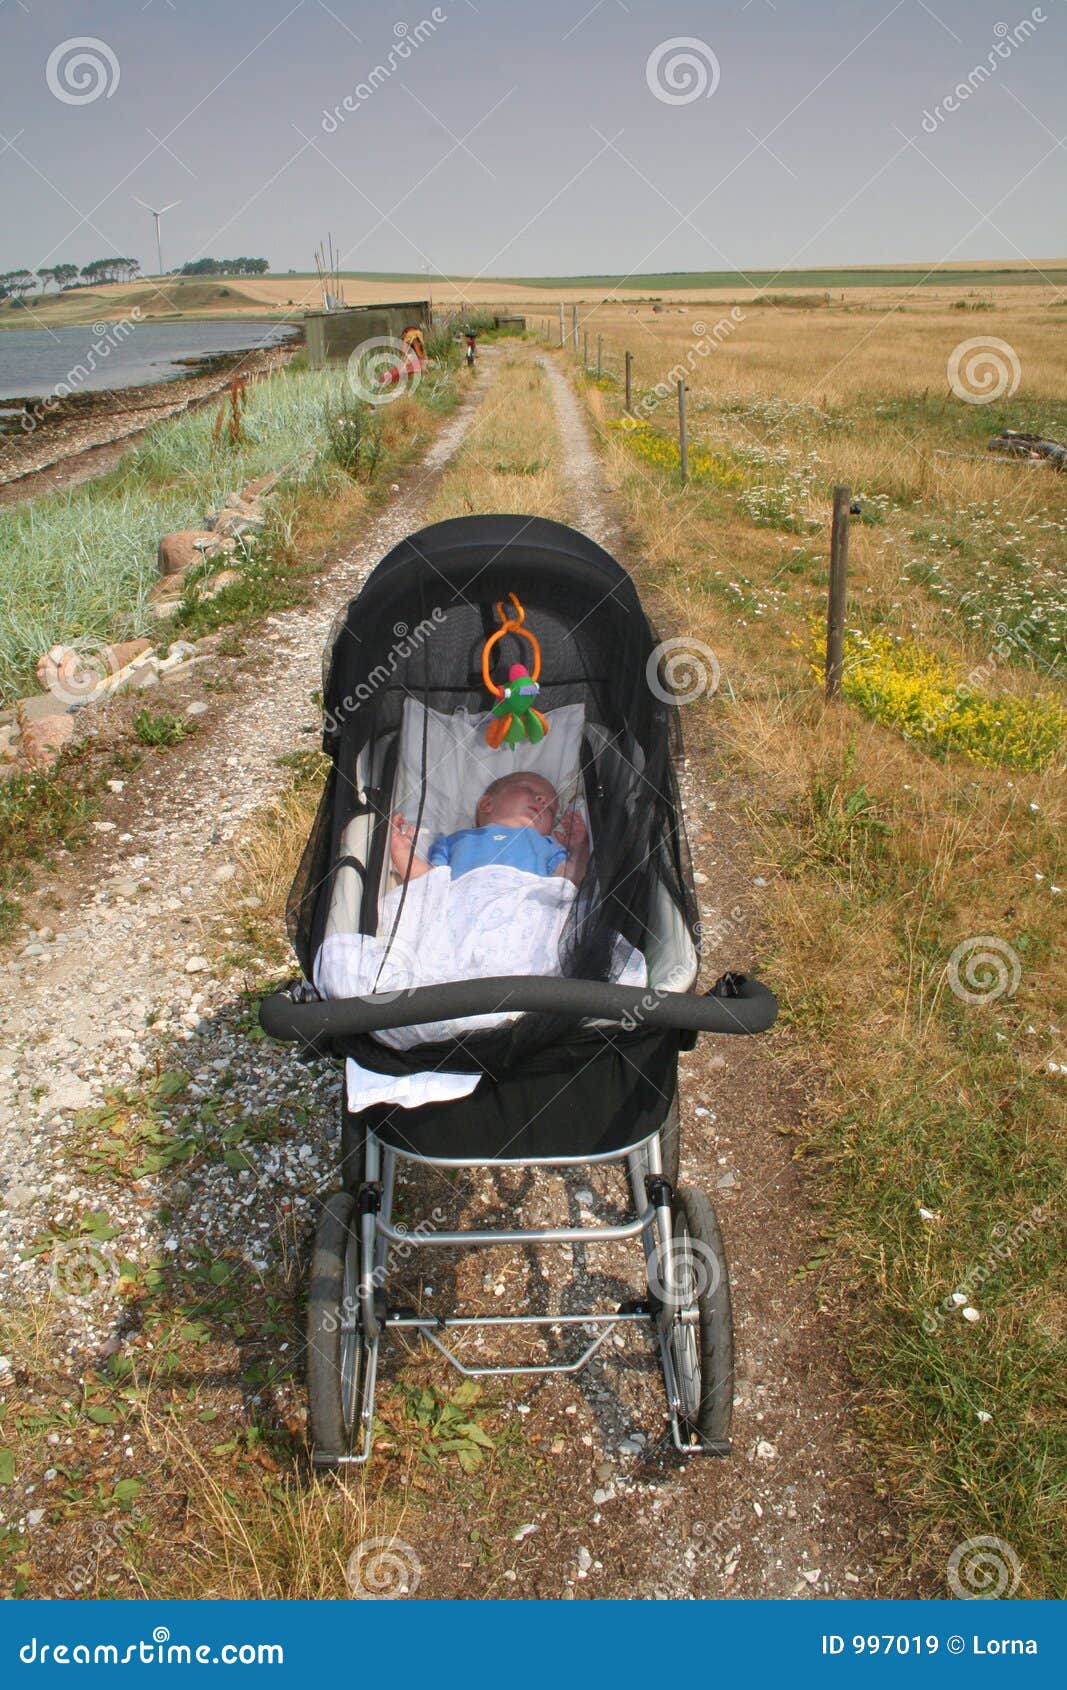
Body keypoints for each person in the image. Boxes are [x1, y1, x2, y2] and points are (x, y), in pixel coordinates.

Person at [390, 771, 589, 887]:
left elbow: (571, 882)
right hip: (466, 912)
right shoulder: (456, 840)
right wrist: (401, 851)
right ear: (487, 805)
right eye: (529, 790)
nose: (542, 801)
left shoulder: (547, 845)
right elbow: (430, 883)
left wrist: (579, 848)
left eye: (551, 809)